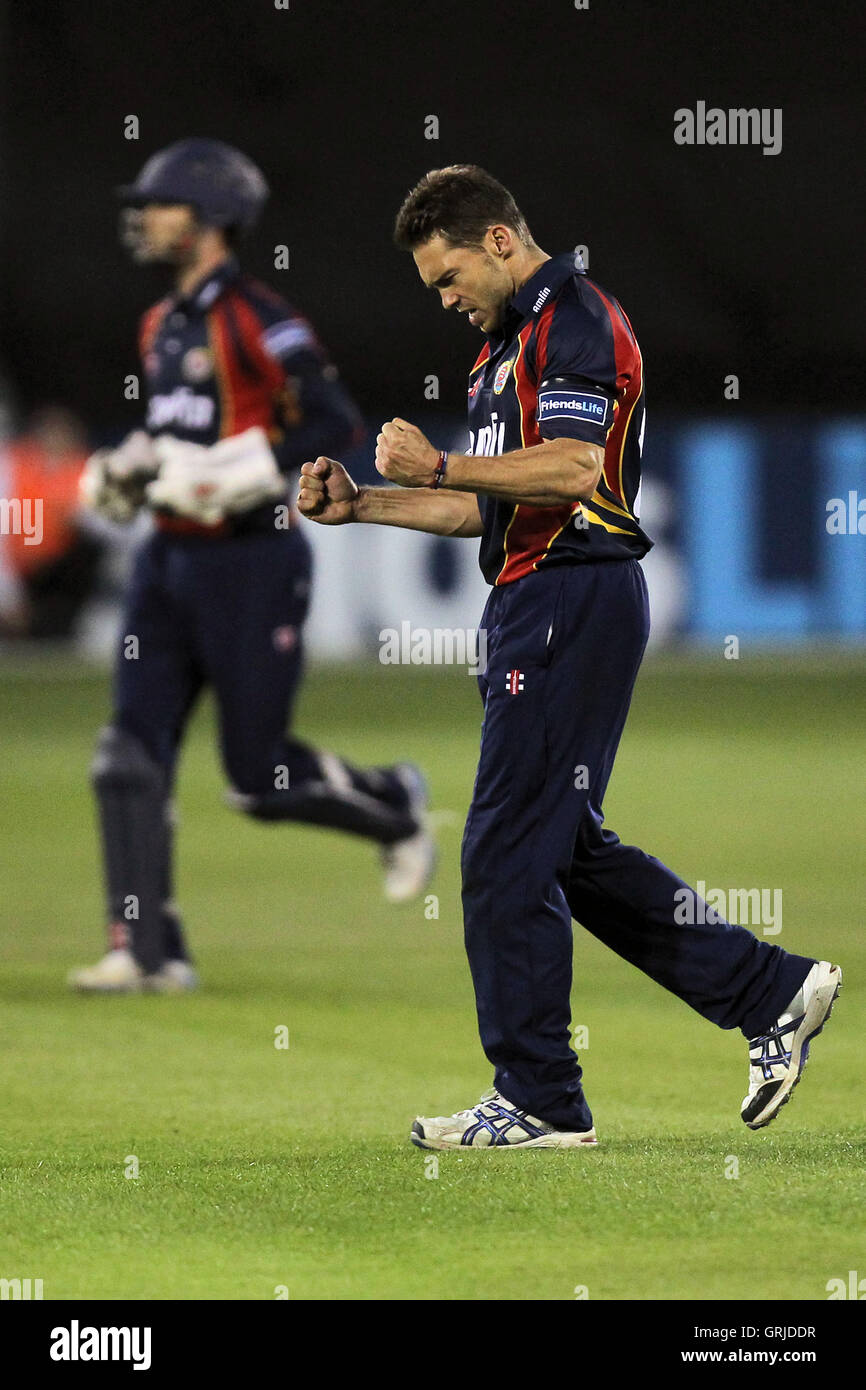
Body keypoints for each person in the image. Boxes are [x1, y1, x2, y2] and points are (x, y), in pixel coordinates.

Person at [297, 164, 841, 1148]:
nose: (448, 299)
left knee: (502, 848)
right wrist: (366, 504)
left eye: (449, 276)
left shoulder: (574, 318)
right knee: (563, 846)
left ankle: (540, 1096)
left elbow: (571, 468)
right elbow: (487, 504)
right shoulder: (499, 354)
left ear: (498, 241)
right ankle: (769, 990)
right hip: (532, 600)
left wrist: (441, 460)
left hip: (569, 598)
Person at [71, 138, 435, 995]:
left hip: (251, 564)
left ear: (207, 219)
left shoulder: (258, 315)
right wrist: (137, 463)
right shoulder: (161, 324)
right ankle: (147, 949)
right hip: (167, 561)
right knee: (126, 756)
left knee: (257, 778)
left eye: (160, 203)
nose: (145, 218)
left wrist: (250, 465)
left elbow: (333, 420)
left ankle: (393, 803)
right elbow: (176, 437)